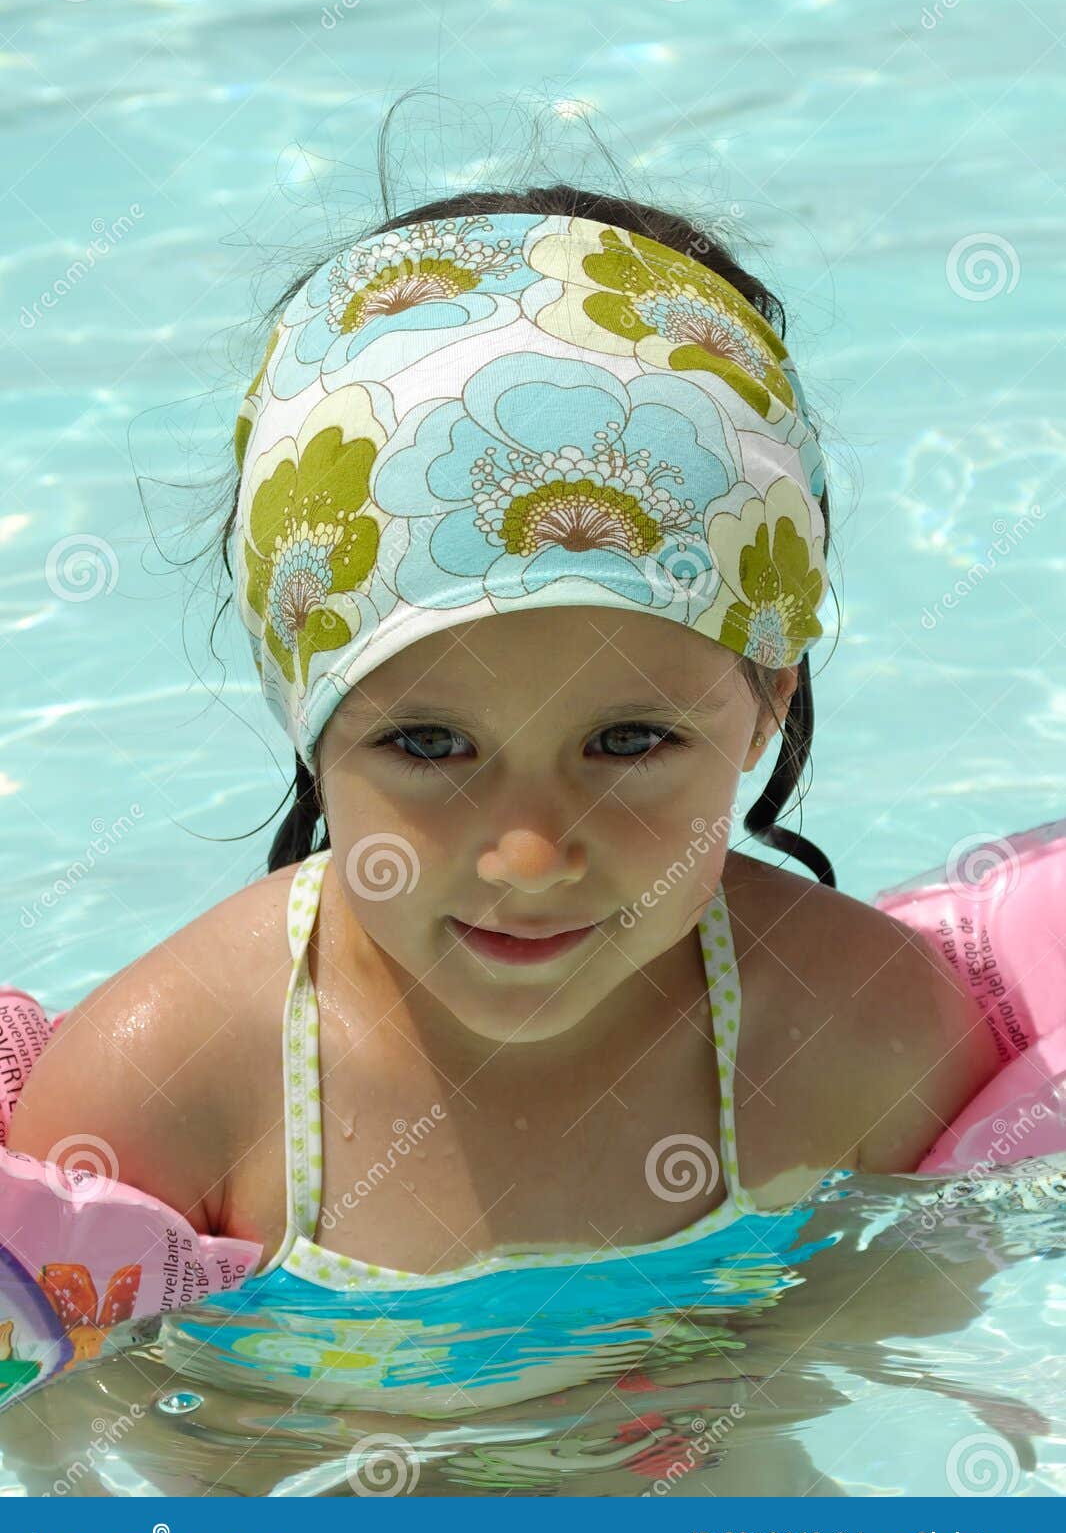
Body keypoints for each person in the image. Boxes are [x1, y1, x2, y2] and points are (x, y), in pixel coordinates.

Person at [9, 186, 1001, 1317]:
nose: (529, 858)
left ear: (767, 699)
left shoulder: (863, 1037)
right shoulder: (167, 1090)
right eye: (429, 744)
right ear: (305, 707)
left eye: (628, 741)